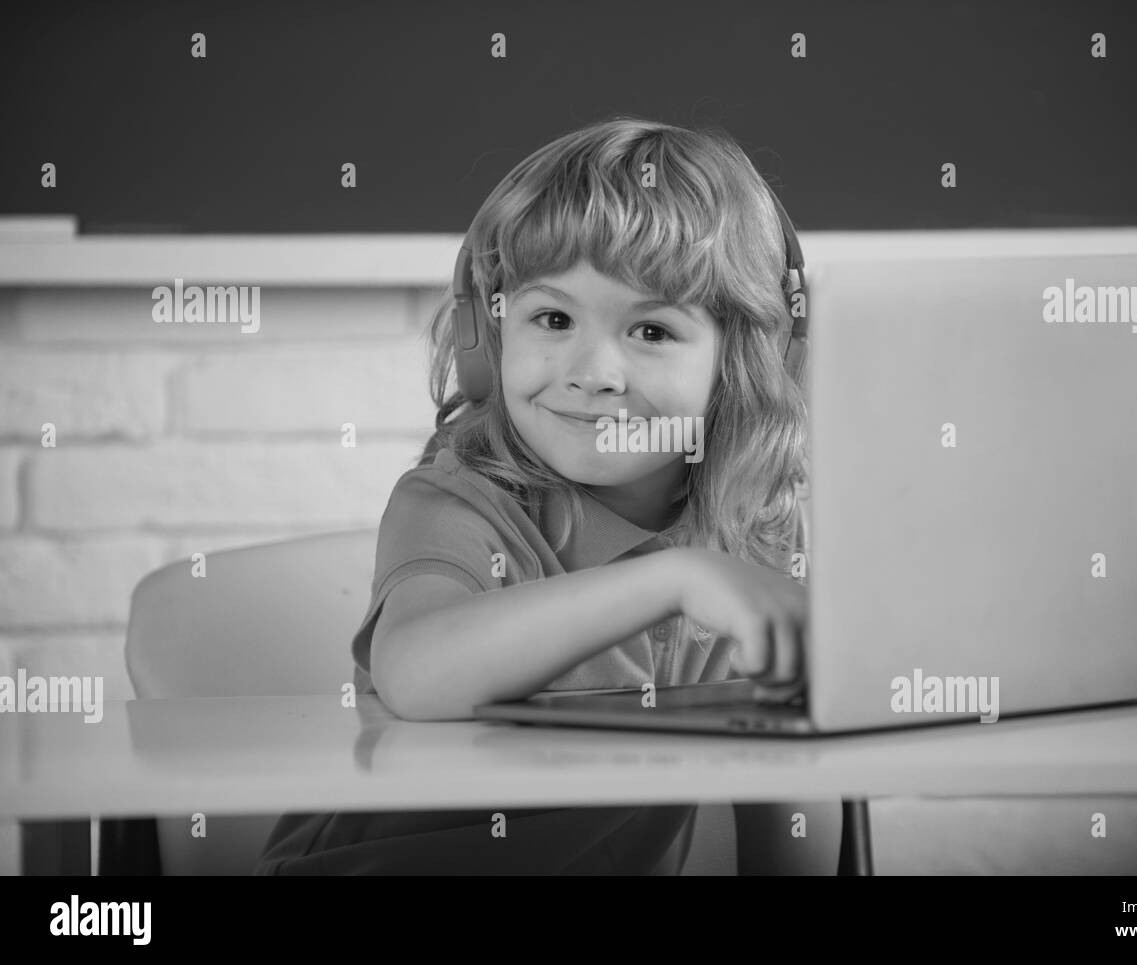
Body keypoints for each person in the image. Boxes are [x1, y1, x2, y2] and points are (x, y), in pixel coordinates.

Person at [256, 115, 841, 874]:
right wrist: (670, 582)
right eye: (553, 318)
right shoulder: (458, 503)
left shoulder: (747, 535)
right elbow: (416, 673)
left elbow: (793, 778)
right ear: (486, 337)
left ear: (747, 361)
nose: (593, 370)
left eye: (654, 331)